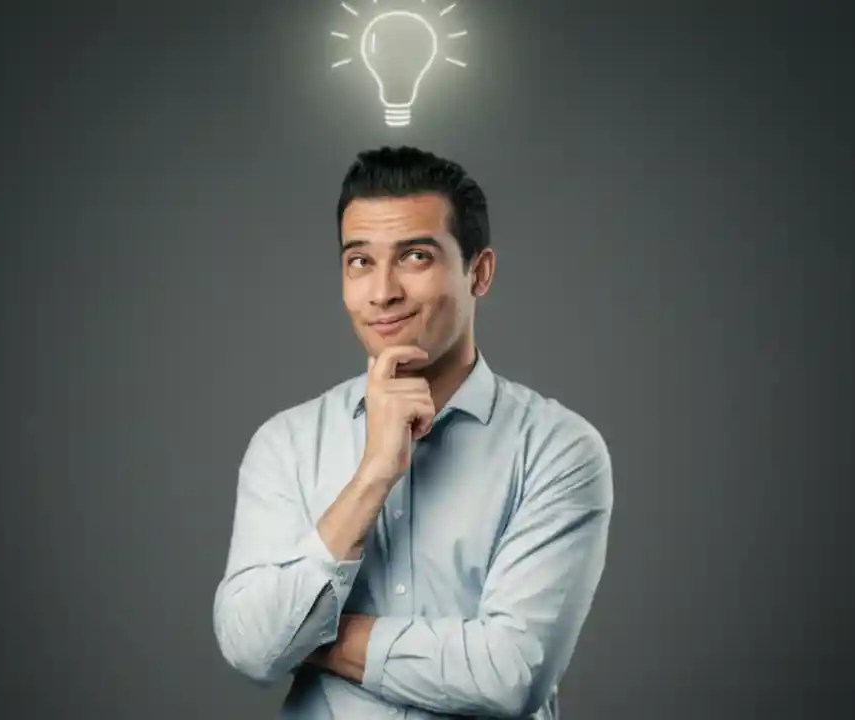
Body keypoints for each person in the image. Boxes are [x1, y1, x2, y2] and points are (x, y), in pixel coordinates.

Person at [212, 146, 614, 719]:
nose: (382, 293)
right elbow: (250, 648)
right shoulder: (286, 445)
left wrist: (313, 638)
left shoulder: (558, 450)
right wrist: (373, 475)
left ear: (480, 271)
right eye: (359, 262)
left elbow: (511, 674)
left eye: (415, 257)